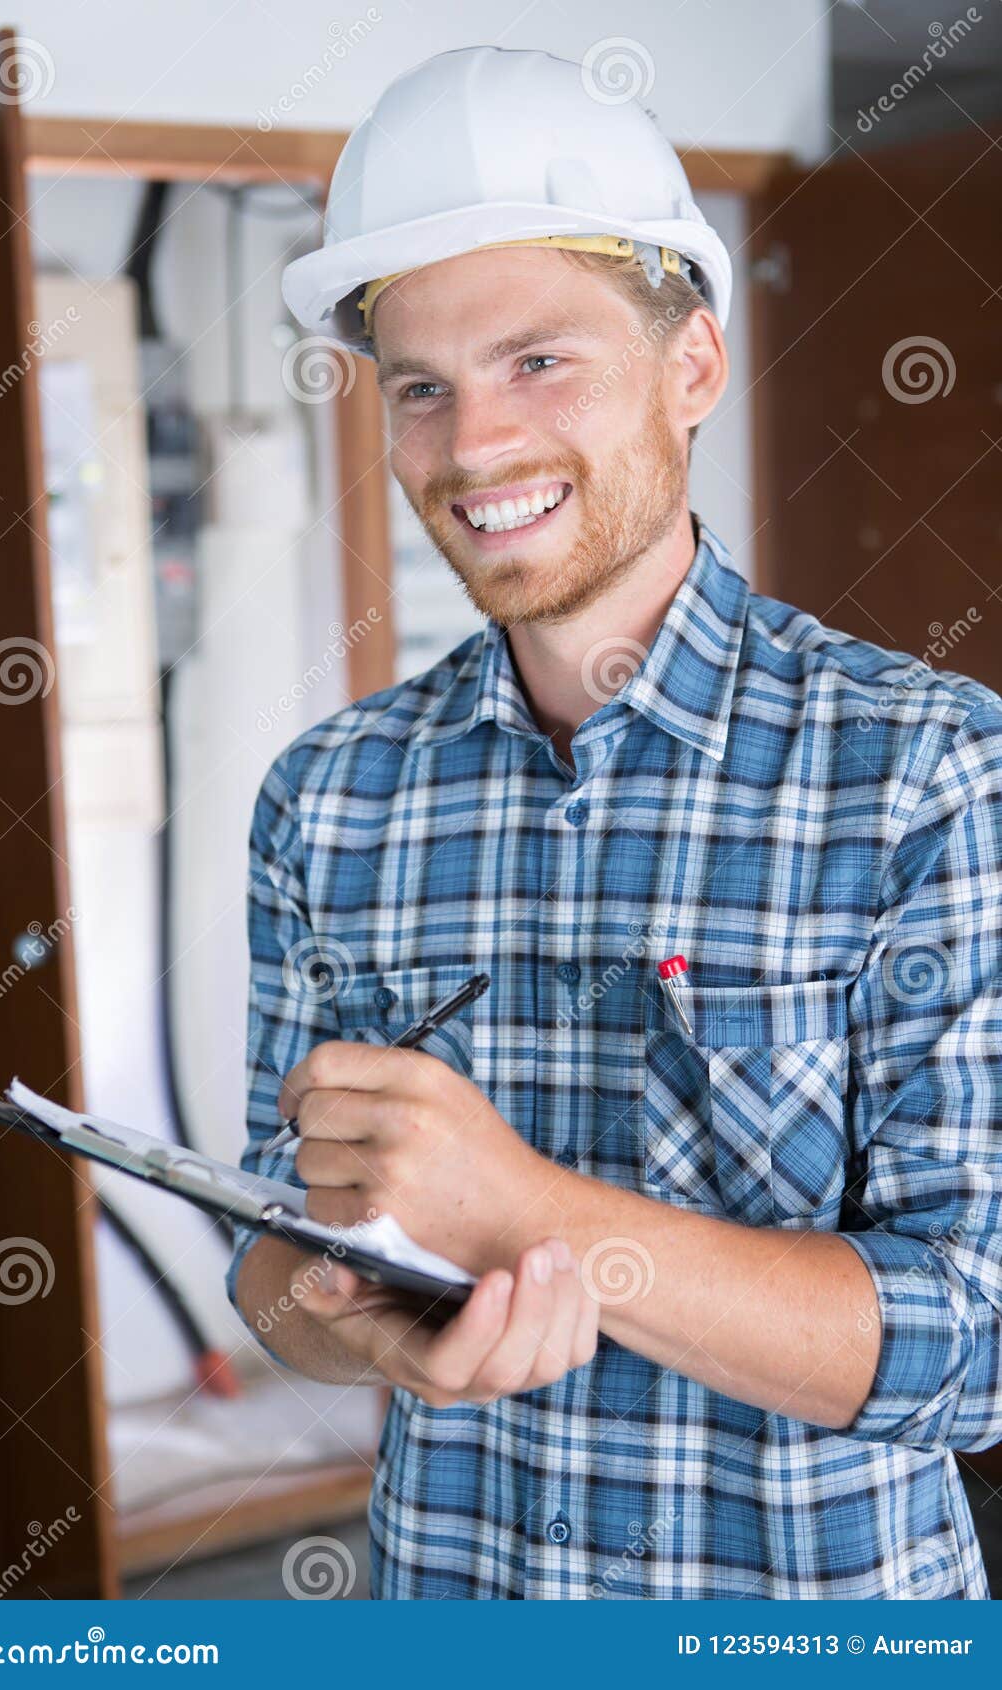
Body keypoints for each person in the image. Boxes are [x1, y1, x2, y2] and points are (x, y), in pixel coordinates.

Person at [227, 45, 1002, 1600]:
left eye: (539, 361)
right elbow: (269, 1246)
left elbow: (972, 1348)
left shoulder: (928, 769)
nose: (474, 448)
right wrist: (350, 1315)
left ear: (695, 365)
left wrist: (522, 1206)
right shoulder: (329, 799)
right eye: (423, 387)